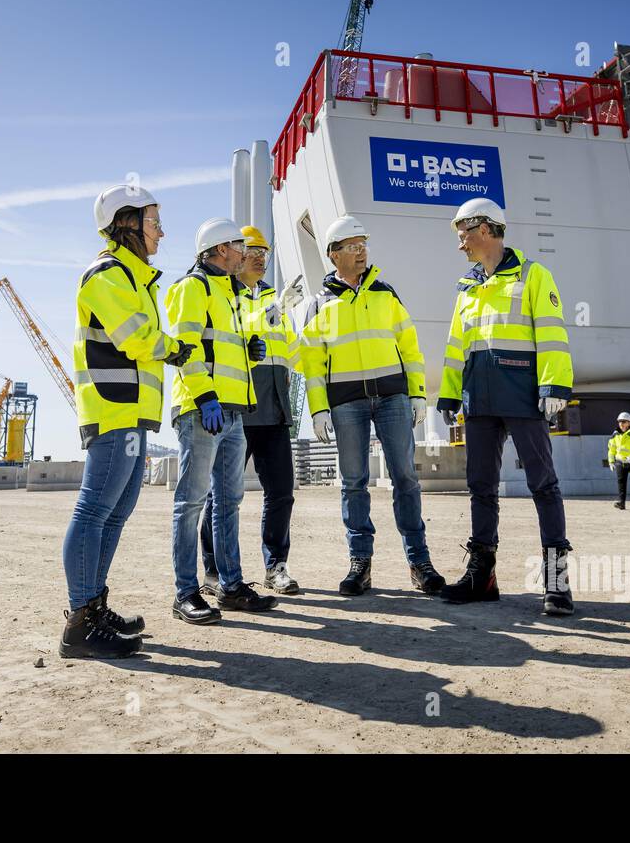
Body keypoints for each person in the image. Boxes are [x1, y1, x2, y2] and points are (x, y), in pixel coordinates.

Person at [61, 185, 192, 659]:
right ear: (127, 223)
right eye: (154, 220)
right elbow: (137, 338)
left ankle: (94, 607)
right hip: (112, 408)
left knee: (114, 513)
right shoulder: (106, 275)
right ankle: (79, 623)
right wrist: (176, 347)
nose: (162, 230)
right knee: (94, 511)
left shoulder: (137, 280)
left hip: (133, 412)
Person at [435, 198, 576, 616]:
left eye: (463, 230)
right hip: (478, 399)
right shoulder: (467, 287)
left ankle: (556, 583)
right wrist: (448, 392)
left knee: (543, 484)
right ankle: (483, 577)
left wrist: (554, 384)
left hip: (523, 395)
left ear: (485, 228)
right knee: (480, 486)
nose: (459, 240)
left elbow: (552, 333)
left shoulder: (534, 275)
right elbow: (455, 346)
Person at [297, 215, 445, 597]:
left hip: (393, 399)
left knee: (406, 480)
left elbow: (409, 349)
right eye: (352, 245)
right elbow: (312, 364)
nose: (362, 251)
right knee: (353, 484)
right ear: (333, 255)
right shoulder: (319, 305)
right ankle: (359, 564)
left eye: (364, 244)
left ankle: (419, 562)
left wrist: (416, 394)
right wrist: (318, 409)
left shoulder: (386, 294)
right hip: (346, 405)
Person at [168, 217, 277, 624]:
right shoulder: (191, 288)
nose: (246, 254)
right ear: (218, 250)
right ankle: (185, 593)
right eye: (238, 246)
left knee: (229, 502)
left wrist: (247, 350)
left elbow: (218, 347)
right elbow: (186, 347)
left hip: (232, 411)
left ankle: (231, 587)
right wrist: (206, 395)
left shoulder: (229, 294)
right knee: (191, 502)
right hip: (203, 408)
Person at [199, 226, 301, 594]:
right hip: (237, 409)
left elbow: (291, 352)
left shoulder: (277, 298)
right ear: (235, 254)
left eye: (265, 252)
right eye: (252, 250)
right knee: (221, 495)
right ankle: (213, 570)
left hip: (274, 408)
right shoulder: (227, 297)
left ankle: (276, 565)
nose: (259, 257)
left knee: (282, 491)